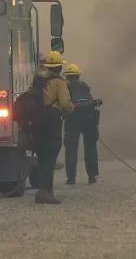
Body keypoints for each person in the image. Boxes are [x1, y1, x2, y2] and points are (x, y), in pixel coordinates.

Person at [31, 50, 74, 204]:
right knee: (50, 158)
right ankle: (46, 192)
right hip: (51, 122)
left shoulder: (38, 80)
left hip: (37, 122)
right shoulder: (59, 82)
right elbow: (64, 103)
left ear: (48, 66)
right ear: (59, 67)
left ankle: (42, 192)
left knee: (42, 157)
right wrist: (72, 107)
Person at [63, 63, 100, 185]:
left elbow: (64, 104)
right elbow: (91, 100)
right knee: (90, 147)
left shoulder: (65, 87)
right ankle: (92, 176)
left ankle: (71, 178)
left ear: (67, 76)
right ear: (78, 76)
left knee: (71, 149)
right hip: (88, 119)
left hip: (72, 119)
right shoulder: (84, 86)